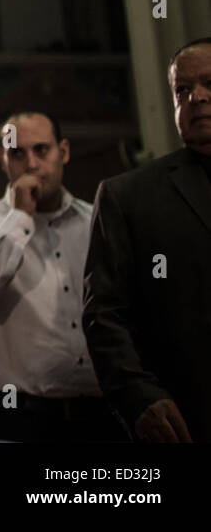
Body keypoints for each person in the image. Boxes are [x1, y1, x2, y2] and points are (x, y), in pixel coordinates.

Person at [0, 111, 124, 441]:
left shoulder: (98, 221)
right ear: (3, 159)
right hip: (20, 412)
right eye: (17, 153)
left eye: (41, 150)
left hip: (104, 410)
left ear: (64, 152)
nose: (30, 164)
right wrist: (18, 217)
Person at [85, 37, 211, 443]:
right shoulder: (129, 196)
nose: (197, 98)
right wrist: (137, 396)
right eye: (183, 90)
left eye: (209, 83)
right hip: (187, 421)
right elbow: (104, 315)